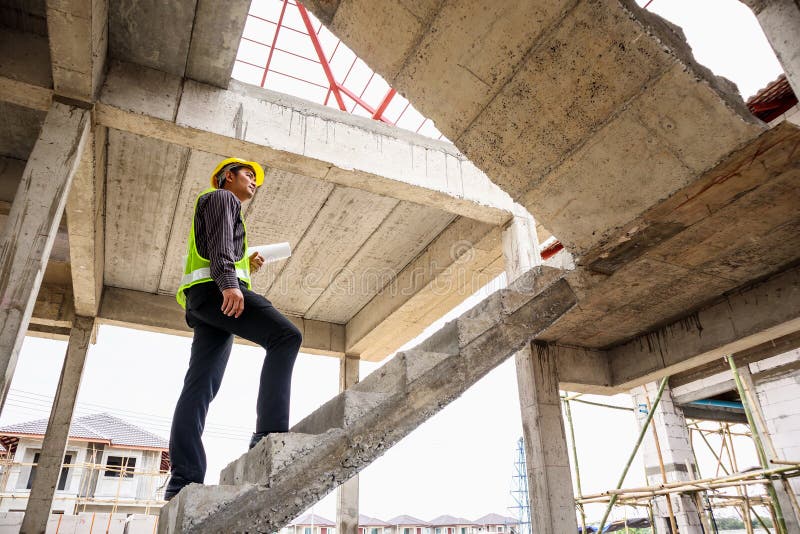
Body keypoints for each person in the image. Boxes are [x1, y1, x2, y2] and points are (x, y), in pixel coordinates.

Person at [165, 157, 302, 501]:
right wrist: (230, 282)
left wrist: (245, 266)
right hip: (215, 292)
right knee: (286, 336)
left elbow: (218, 247)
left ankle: (183, 480)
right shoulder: (222, 198)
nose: (254, 181)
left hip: (205, 301)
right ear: (228, 177)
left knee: (199, 388)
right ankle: (268, 433)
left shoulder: (222, 207)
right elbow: (220, 249)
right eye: (248, 174)